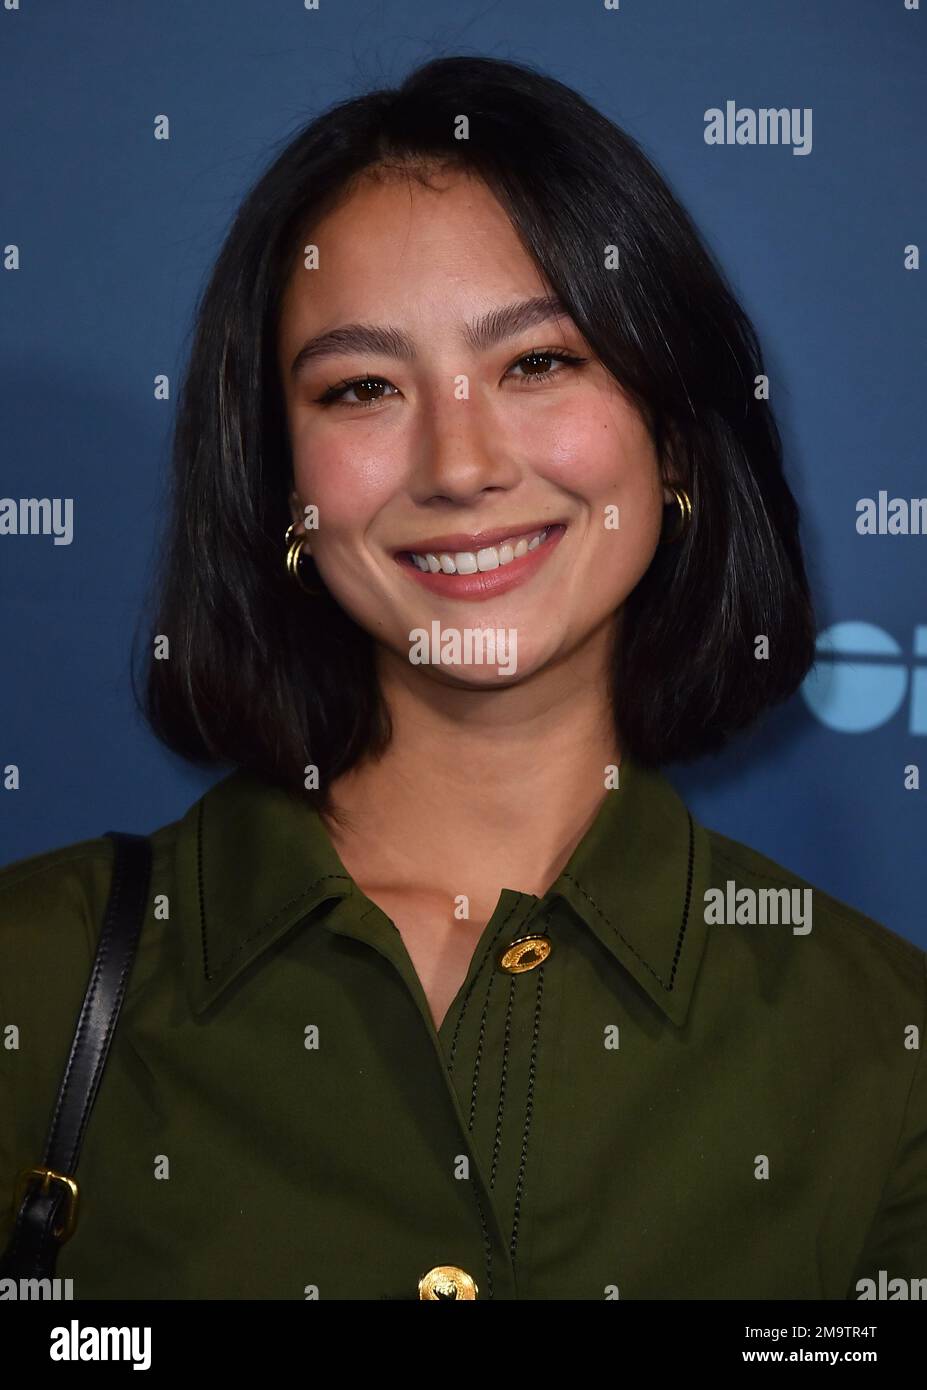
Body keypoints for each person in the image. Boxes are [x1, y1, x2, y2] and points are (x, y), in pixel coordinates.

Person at [1, 54, 924, 1302]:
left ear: (675, 434)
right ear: (282, 487)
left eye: (538, 362)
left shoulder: (883, 1049)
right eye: (364, 387)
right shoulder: (33, 979)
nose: (461, 462)